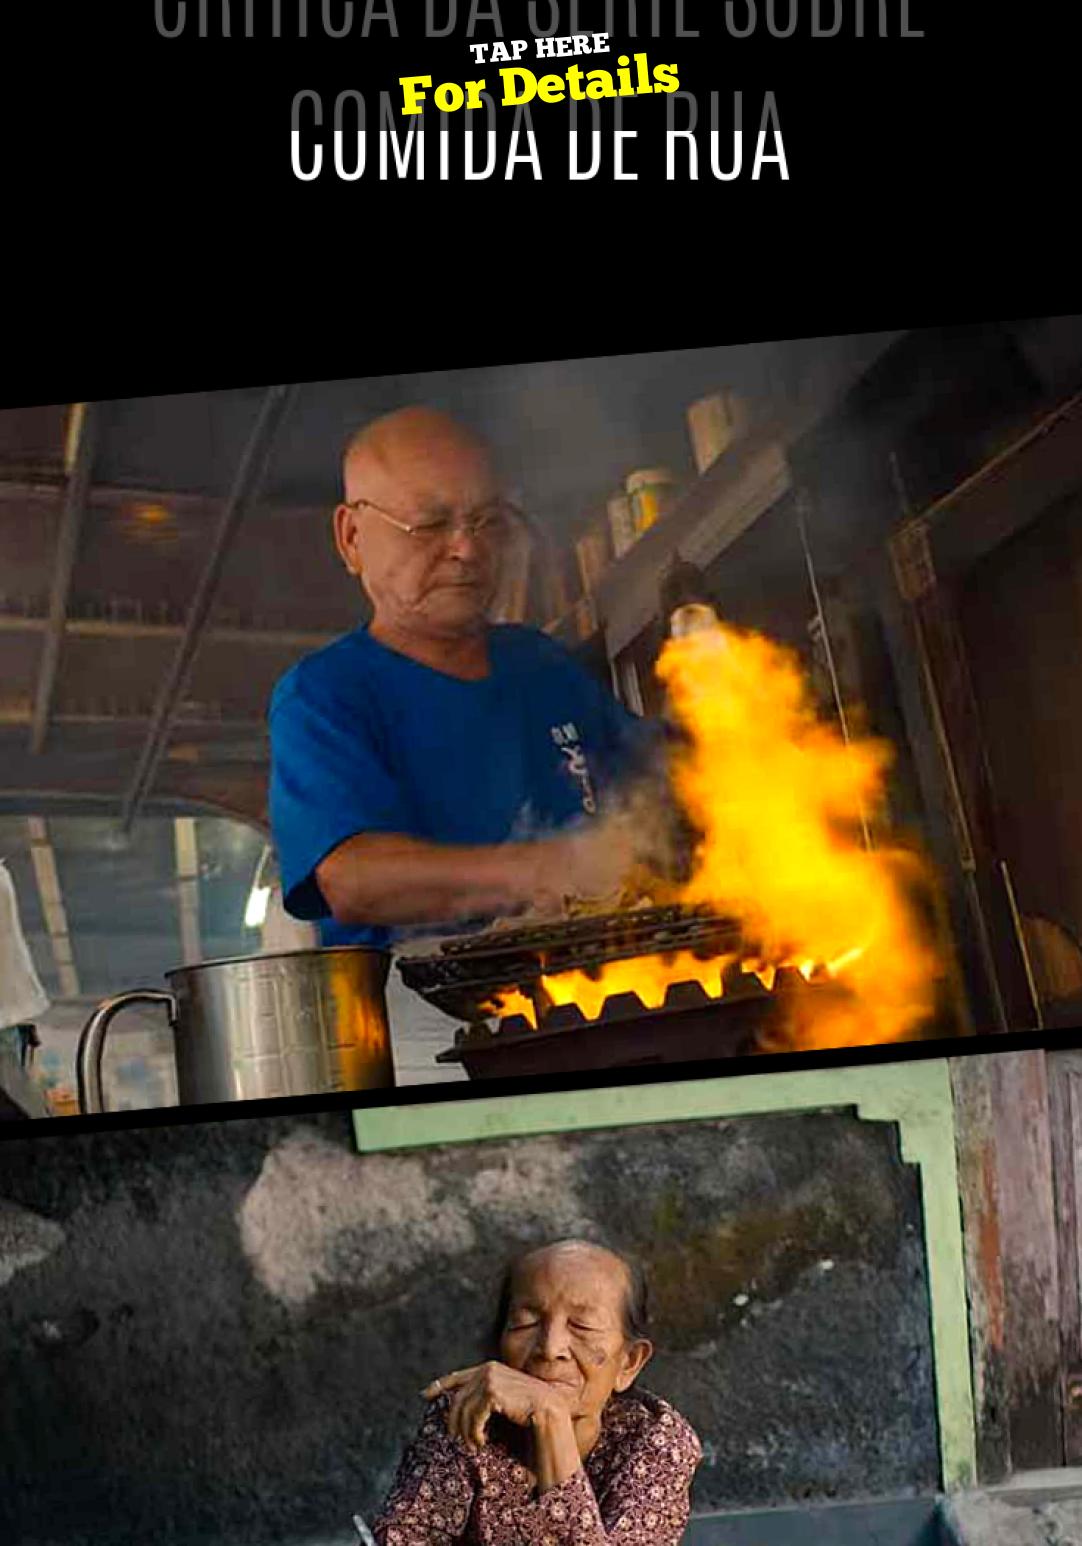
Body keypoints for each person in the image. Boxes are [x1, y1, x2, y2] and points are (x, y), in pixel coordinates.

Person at [268, 408, 658, 1078]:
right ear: (352, 535)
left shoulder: (539, 664)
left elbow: (659, 784)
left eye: (486, 522)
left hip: (612, 1008)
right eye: (430, 524)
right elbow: (354, 879)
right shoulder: (325, 695)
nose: (467, 550)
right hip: (439, 1048)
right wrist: (550, 869)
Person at [372, 1239, 702, 1546]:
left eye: (582, 1327)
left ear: (629, 1363)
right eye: (526, 1323)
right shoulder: (467, 1414)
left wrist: (550, 1418)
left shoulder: (659, 1443)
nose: (550, 1348)